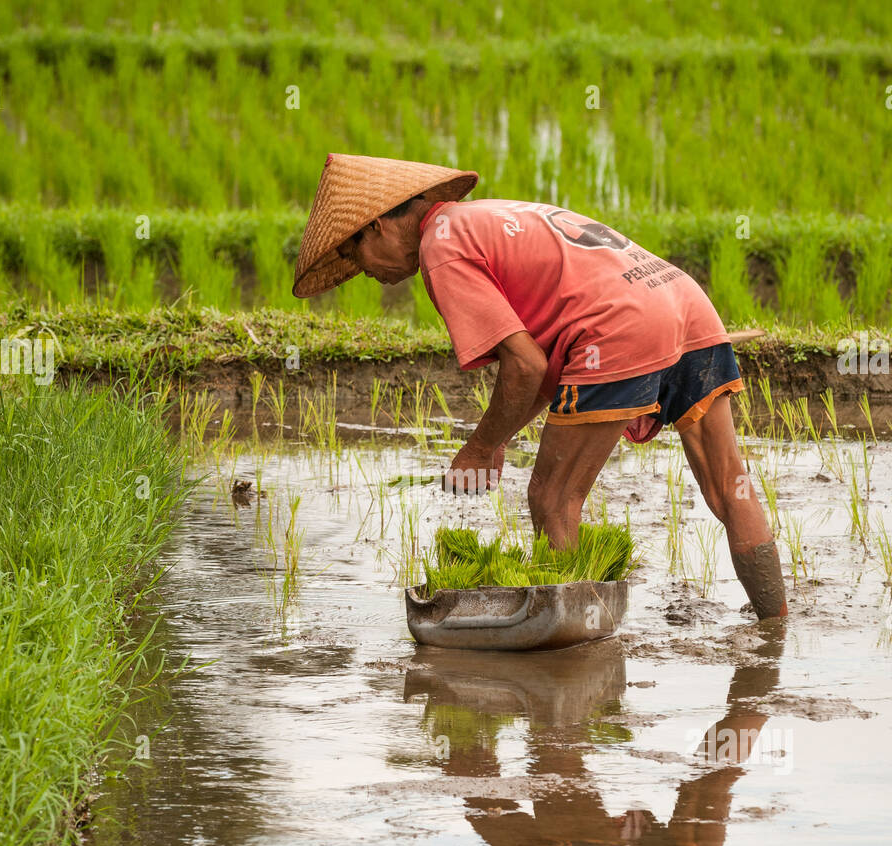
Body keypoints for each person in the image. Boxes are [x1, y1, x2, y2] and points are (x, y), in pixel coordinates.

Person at [293, 153, 787, 620]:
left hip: (618, 328)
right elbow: (549, 363)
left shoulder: (441, 247)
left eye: (356, 251)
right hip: (681, 299)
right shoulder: (484, 217)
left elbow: (526, 365)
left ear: (376, 224)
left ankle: (571, 650)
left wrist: (482, 446)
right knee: (730, 485)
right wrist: (497, 440)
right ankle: (776, 629)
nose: (364, 271)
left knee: (552, 499)